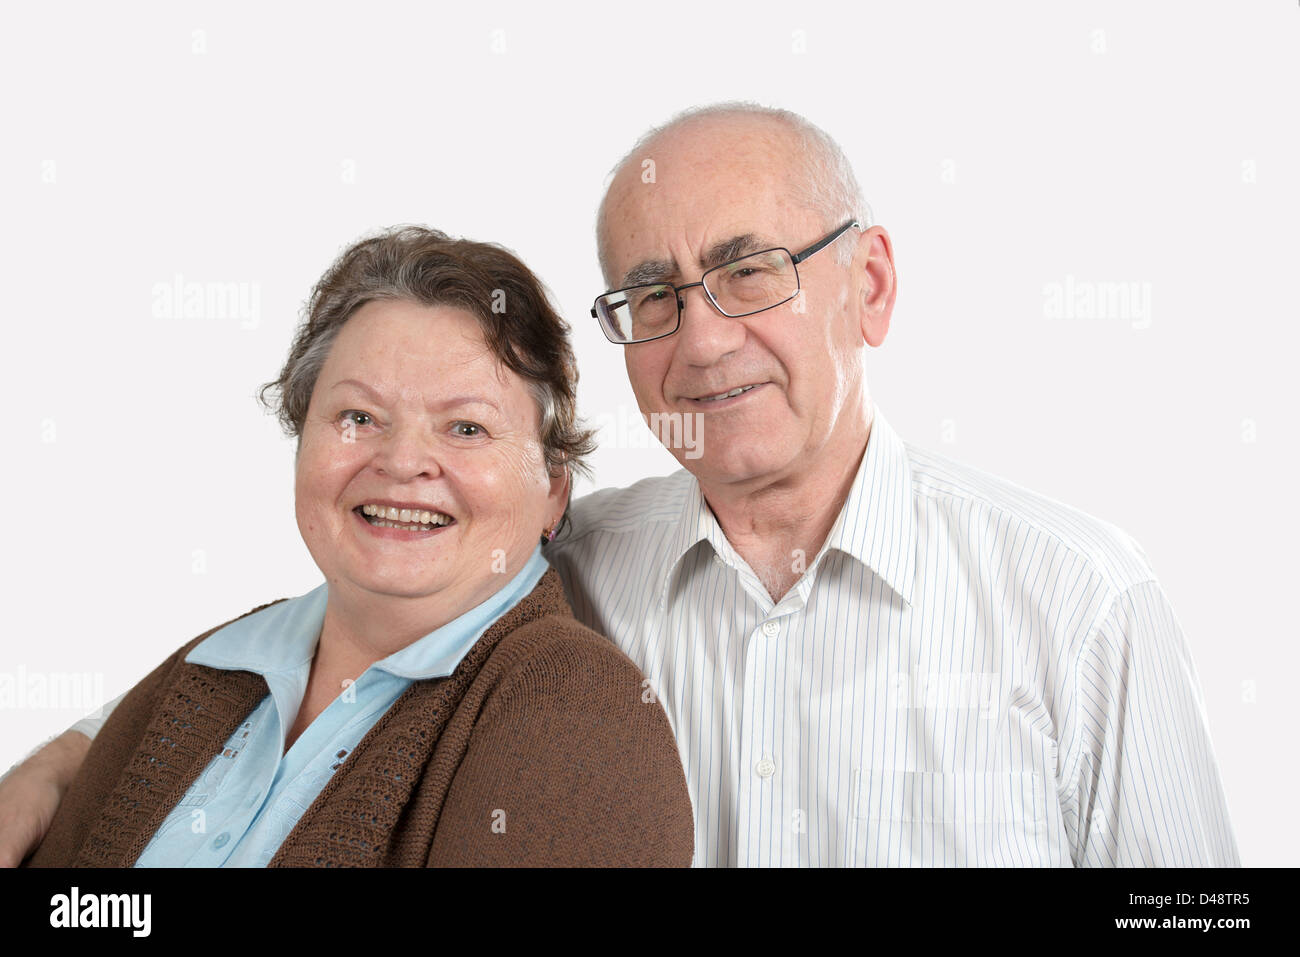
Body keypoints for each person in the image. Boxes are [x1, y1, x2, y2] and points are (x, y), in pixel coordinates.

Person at [3, 103, 1239, 868]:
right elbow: (341, 631)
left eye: (749, 272)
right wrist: (70, 755)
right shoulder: (568, 555)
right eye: (652, 295)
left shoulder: (1076, 601)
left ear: (868, 286)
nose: (700, 341)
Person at [16, 226, 694, 867]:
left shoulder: (576, 713)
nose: (403, 462)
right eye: (359, 417)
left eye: (464, 427)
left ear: (552, 489)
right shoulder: (210, 664)